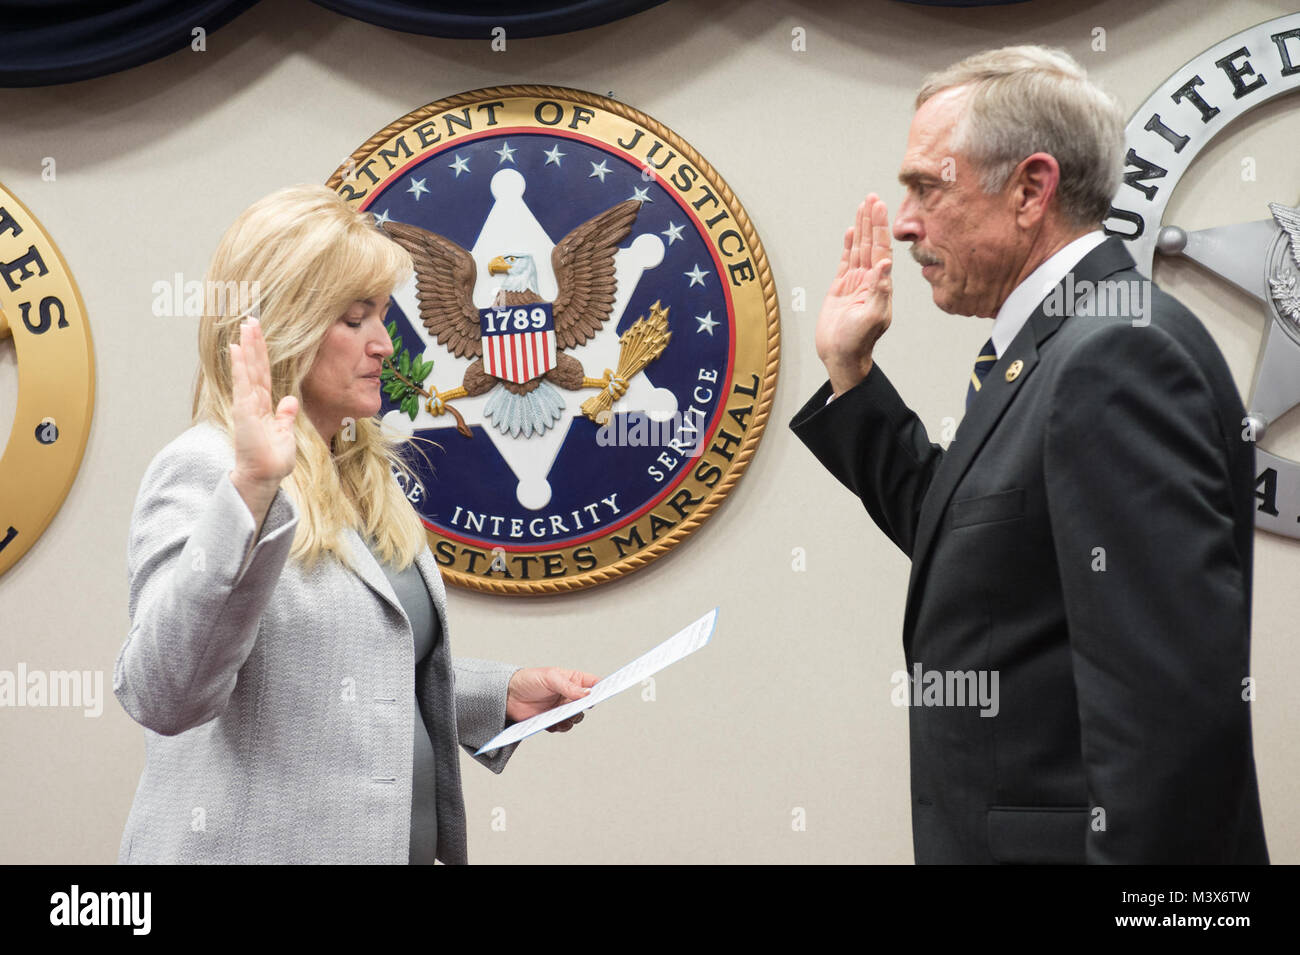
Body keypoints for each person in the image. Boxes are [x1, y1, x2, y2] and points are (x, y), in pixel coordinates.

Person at [790, 46, 1268, 864]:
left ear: (1030, 189)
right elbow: (986, 552)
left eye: (927, 186)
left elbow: (1170, 716)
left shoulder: (1114, 356)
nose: (904, 222)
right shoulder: (1058, 347)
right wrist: (852, 374)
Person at [115, 184, 598, 864]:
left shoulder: (364, 470)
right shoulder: (205, 469)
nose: (383, 344)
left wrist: (500, 692)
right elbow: (164, 693)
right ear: (286, 325)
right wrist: (252, 488)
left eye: (382, 315)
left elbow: (332, 672)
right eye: (354, 319)